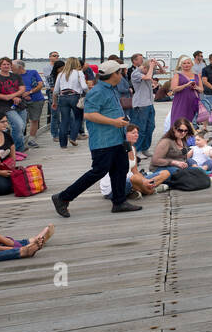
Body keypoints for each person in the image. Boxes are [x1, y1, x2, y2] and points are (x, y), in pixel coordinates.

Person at [52, 60, 140, 217]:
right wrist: (114, 122)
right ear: (114, 74)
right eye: (120, 72)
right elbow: (89, 114)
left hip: (117, 138)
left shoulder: (111, 89)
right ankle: (63, 197)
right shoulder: (98, 91)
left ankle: (119, 202)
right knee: (98, 171)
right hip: (103, 140)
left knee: (120, 168)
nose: (122, 74)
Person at [0, 57, 29, 153]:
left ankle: (18, 146)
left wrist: (13, 96)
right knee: (18, 125)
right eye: (4, 64)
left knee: (22, 127)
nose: (6, 66)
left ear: (11, 66)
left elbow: (22, 89)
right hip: (4, 106)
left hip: (20, 104)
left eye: (8, 64)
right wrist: (9, 97)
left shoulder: (16, 76)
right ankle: (17, 150)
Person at [52, 57, 89, 149]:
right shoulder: (79, 73)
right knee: (78, 118)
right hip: (75, 96)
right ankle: (73, 137)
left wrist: (54, 102)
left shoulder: (60, 74)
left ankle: (63, 144)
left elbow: (56, 90)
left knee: (64, 120)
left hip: (63, 97)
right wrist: (89, 93)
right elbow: (84, 87)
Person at [126, 54, 158, 158]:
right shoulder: (136, 73)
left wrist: (156, 64)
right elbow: (148, 76)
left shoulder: (146, 70)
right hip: (140, 105)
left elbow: (162, 72)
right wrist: (151, 67)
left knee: (151, 127)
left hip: (149, 103)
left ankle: (145, 148)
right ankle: (137, 150)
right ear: (144, 68)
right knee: (141, 128)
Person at [17, 59, 47, 149]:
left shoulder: (33, 72)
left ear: (20, 67)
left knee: (34, 119)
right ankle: (20, 140)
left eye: (12, 67)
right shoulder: (13, 76)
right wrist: (23, 95)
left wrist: (29, 92)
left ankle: (31, 139)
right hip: (21, 100)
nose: (11, 68)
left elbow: (40, 84)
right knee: (20, 121)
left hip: (36, 99)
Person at [169, 55, 203, 127]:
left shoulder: (197, 75)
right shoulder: (177, 75)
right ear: (180, 65)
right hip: (181, 102)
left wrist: (196, 87)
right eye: (184, 63)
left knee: (192, 123)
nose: (186, 65)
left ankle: (191, 137)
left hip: (194, 102)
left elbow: (202, 90)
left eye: (188, 63)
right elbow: (173, 89)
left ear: (192, 64)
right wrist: (186, 85)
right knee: (179, 121)